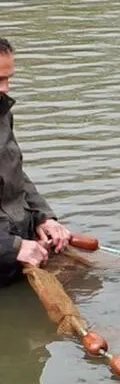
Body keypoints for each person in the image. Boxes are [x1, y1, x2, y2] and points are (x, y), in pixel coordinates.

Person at [0, 37, 71, 287]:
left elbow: (14, 172)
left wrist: (43, 218)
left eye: (8, 78)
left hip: (20, 250)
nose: (6, 89)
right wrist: (11, 247)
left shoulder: (2, 112)